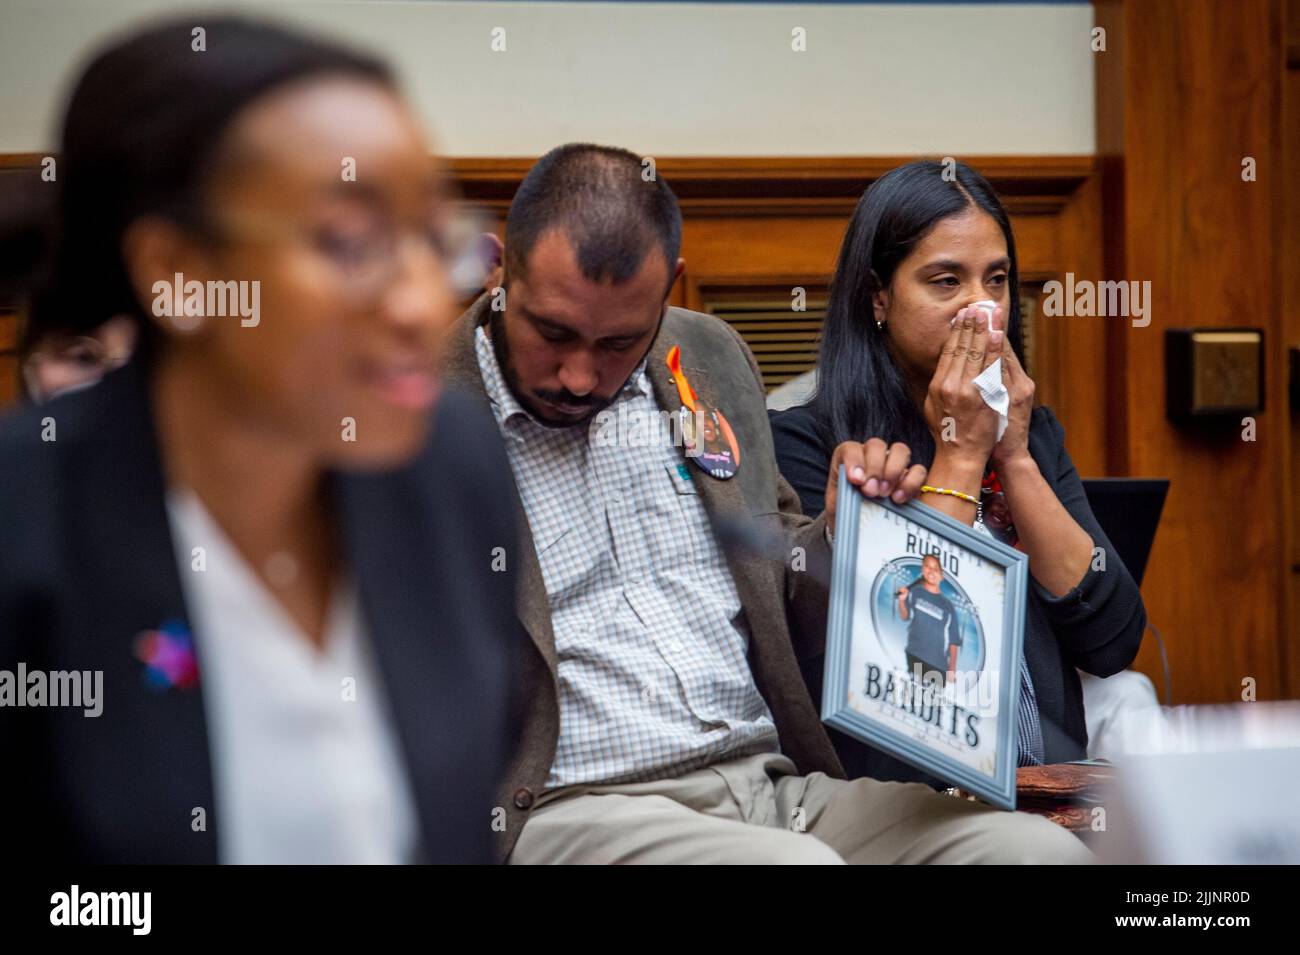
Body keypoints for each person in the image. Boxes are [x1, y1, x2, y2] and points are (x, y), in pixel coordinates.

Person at [447, 142, 1093, 863]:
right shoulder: (418, 416)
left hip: (767, 787)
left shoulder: (709, 358)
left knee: (1035, 850)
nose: (577, 375)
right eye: (553, 332)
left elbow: (786, 591)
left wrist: (844, 537)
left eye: (619, 341)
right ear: (498, 270)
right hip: (570, 805)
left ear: (671, 292)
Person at [0, 16, 524, 863]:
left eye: (433, 239)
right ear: (180, 276)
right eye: (350, 243)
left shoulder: (452, 467)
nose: (422, 302)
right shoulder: (26, 525)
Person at [770, 159, 1147, 788]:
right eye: (946, 281)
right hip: (903, 797)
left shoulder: (1032, 433)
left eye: (995, 281)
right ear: (878, 297)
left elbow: (1113, 643)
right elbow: (906, 678)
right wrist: (962, 455)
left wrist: (1016, 458)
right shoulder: (805, 442)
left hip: (1050, 787)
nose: (982, 311)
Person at [897, 554, 960, 684]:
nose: (931, 571)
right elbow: (905, 616)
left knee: (930, 701)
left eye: (935, 569)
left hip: (936, 665)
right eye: (927, 567)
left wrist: (952, 669)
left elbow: (953, 641)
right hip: (914, 655)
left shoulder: (948, 606)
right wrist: (902, 602)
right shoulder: (916, 592)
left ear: (941, 576)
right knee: (911, 697)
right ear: (922, 570)